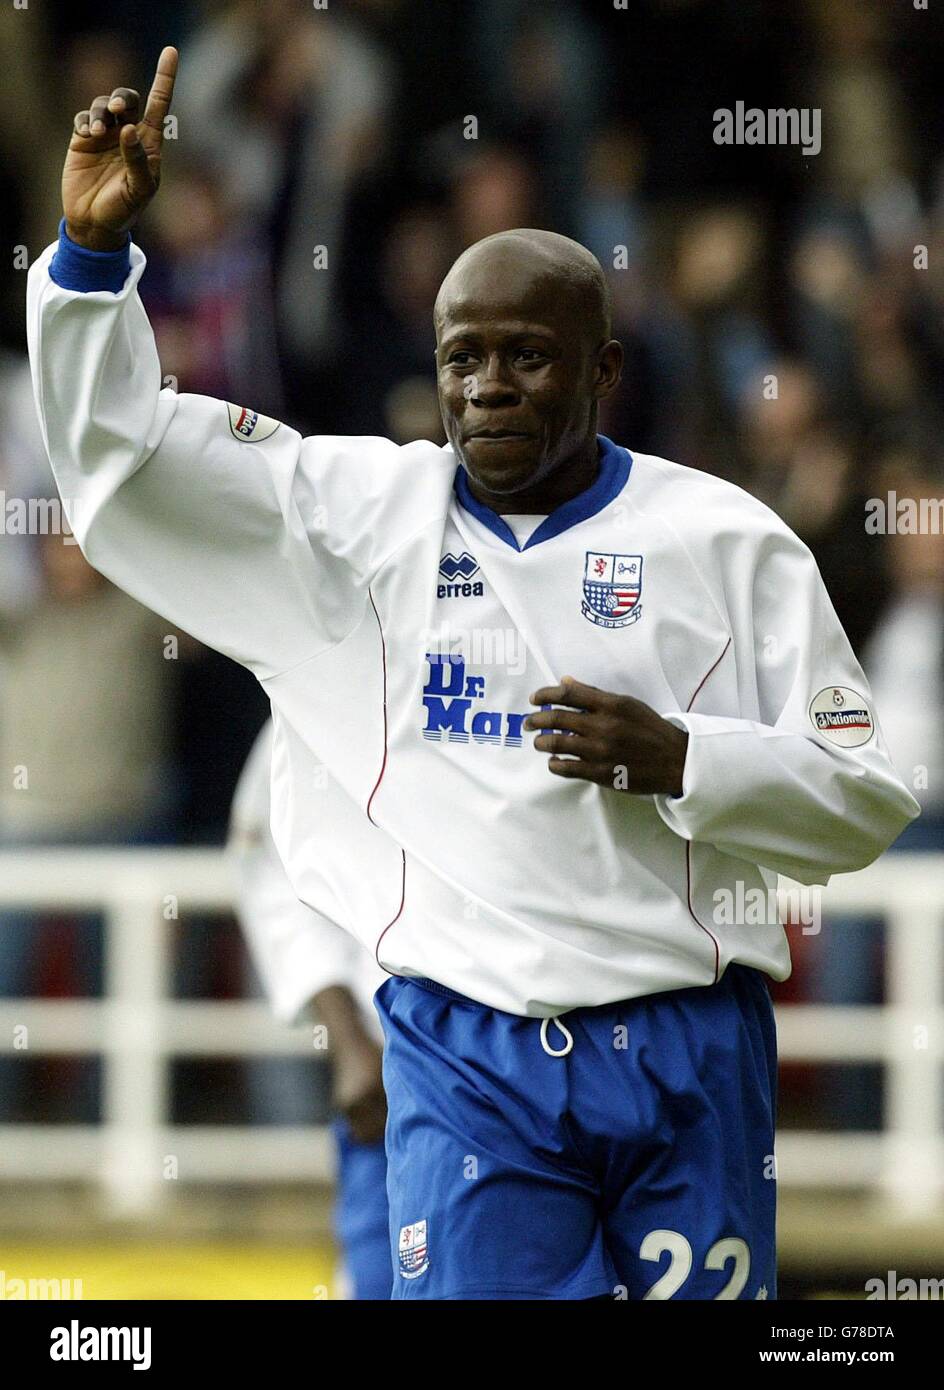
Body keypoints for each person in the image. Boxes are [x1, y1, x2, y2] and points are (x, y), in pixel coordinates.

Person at [27, 48, 919, 1300]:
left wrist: (684, 761)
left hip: (689, 1047)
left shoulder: (728, 542)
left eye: (526, 358)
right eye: (462, 360)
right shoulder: (354, 520)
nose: (486, 390)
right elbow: (124, 470)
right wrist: (86, 264)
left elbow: (866, 796)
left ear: (605, 371)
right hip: (464, 1055)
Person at [229, 721, 390, 1300]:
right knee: (381, 1279)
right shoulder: (310, 681)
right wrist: (350, 1046)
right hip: (395, 1059)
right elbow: (270, 866)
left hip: (571, 1046)